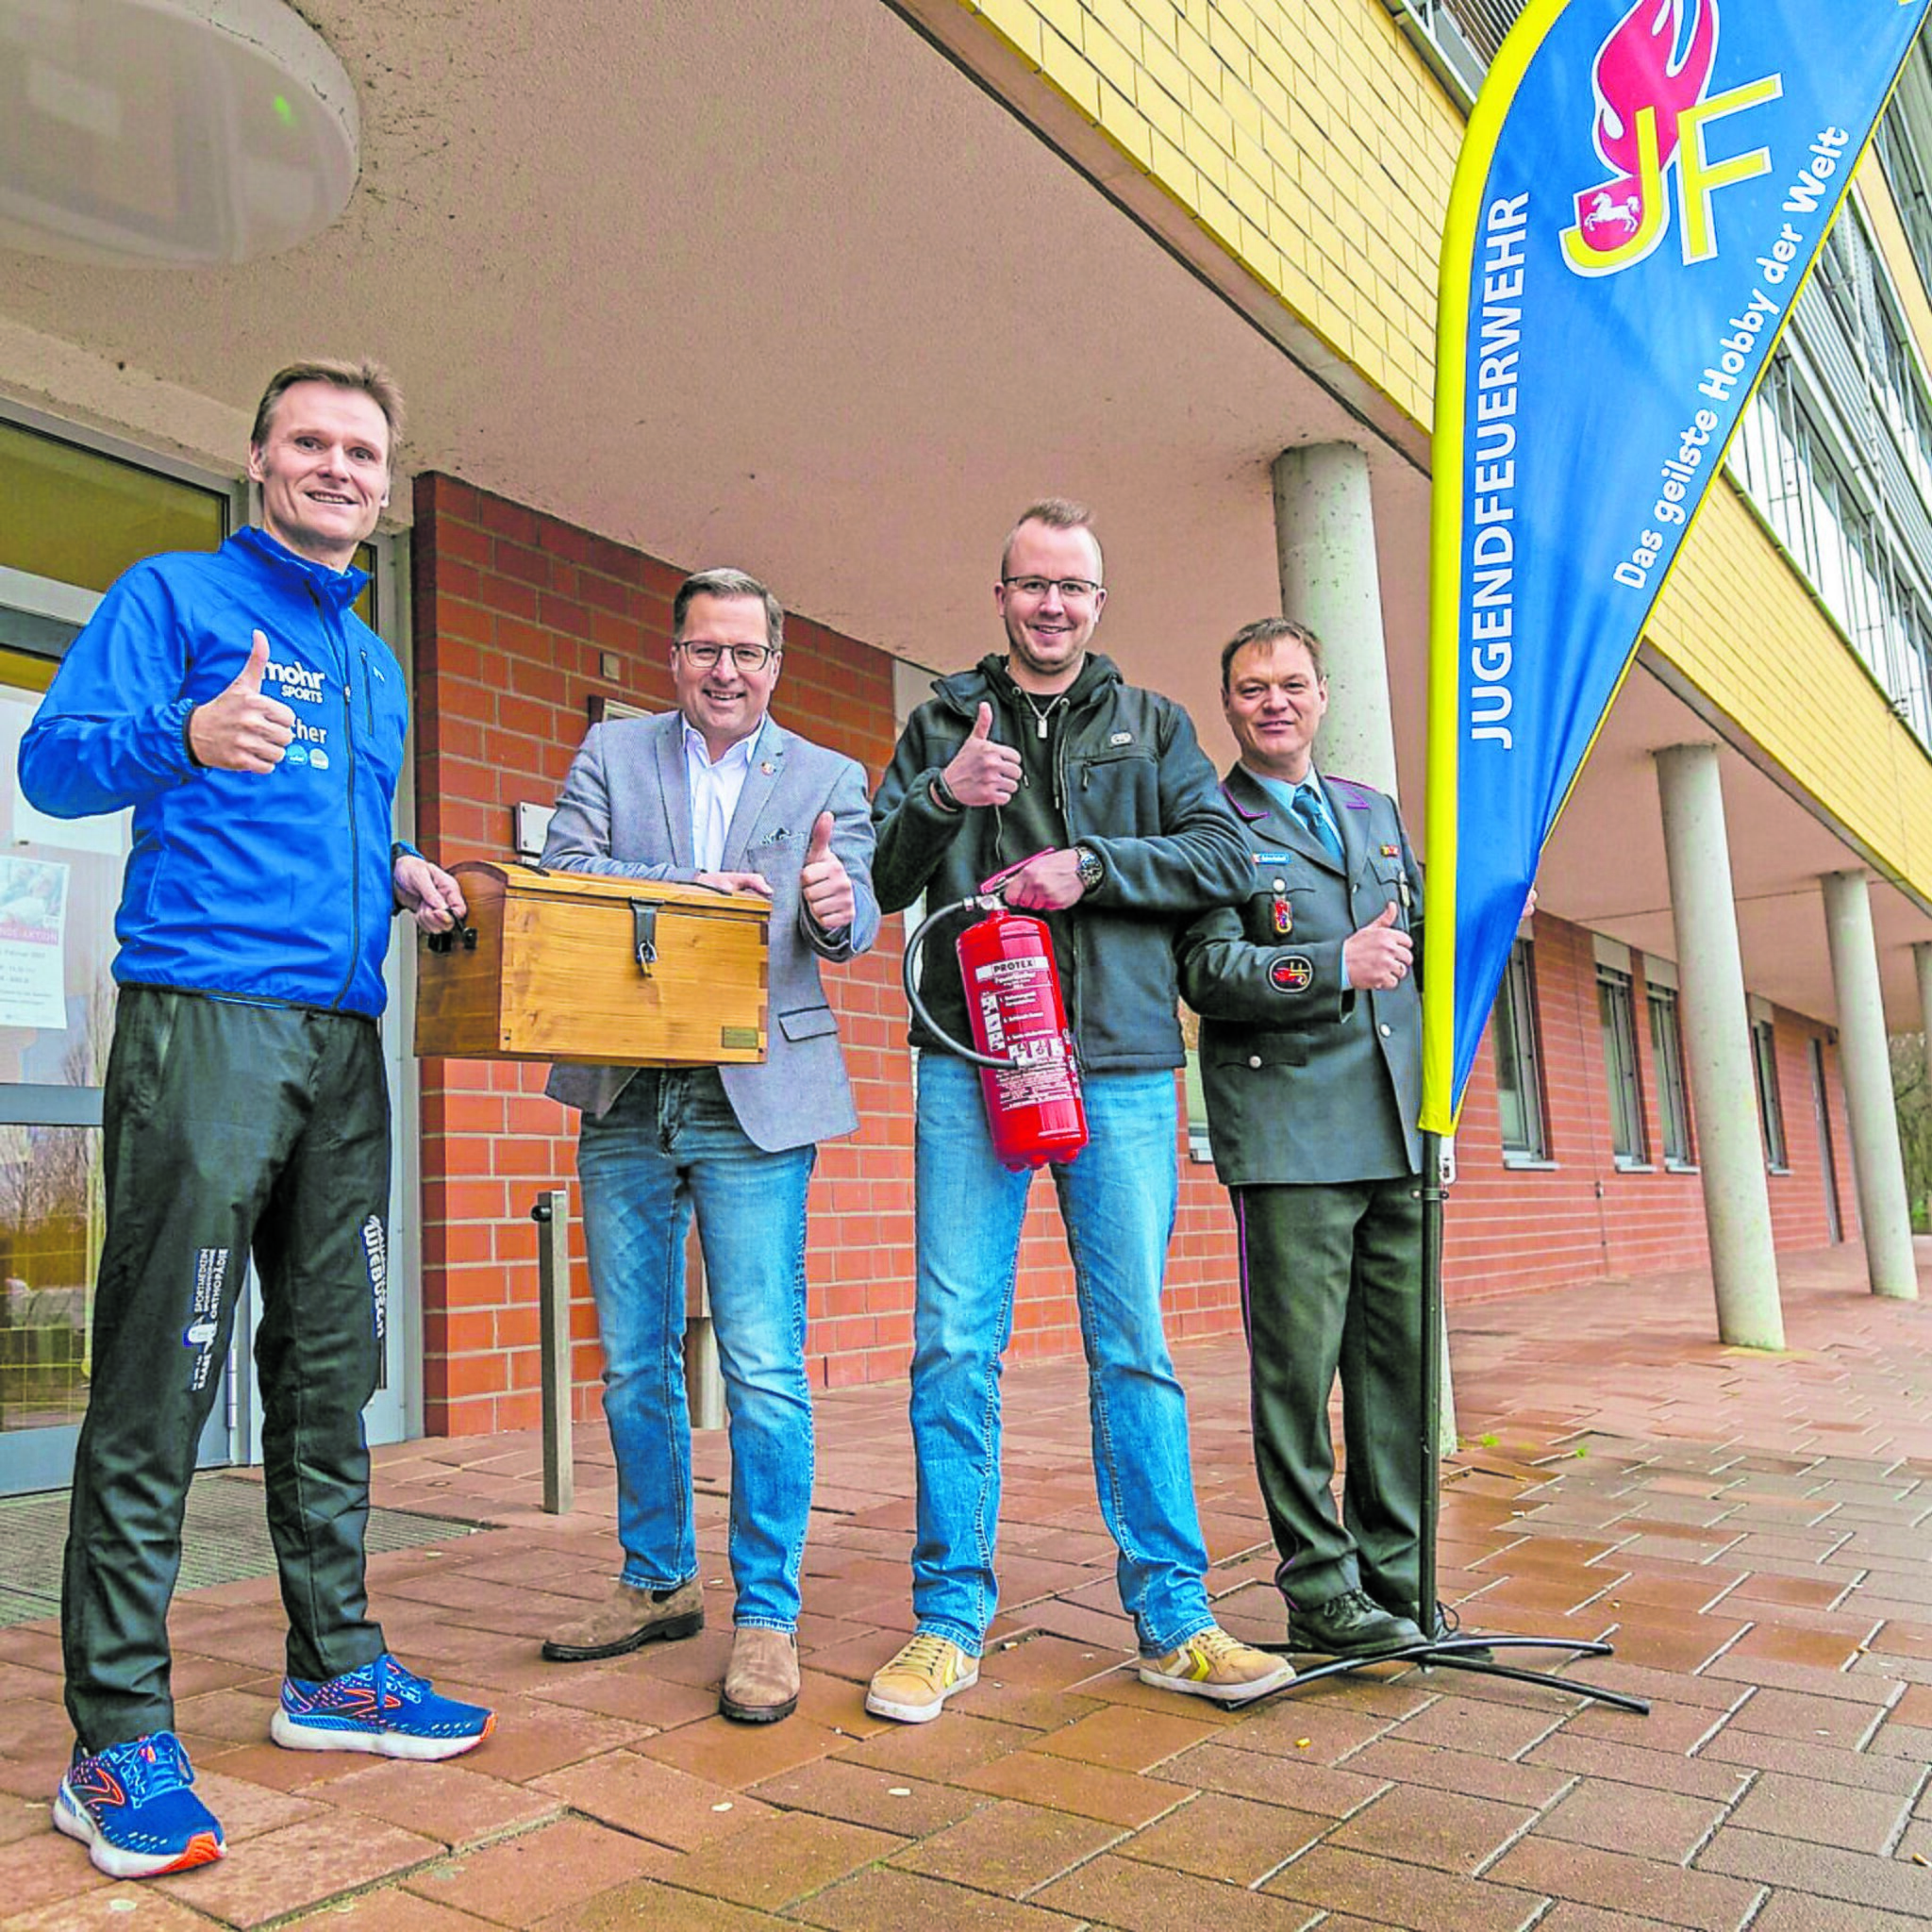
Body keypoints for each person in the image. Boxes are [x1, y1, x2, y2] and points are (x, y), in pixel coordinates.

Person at [20, 359, 494, 1882]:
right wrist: (182, 738)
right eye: (310, 441)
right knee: (165, 1366)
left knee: (331, 1360)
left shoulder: (370, 659)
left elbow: (325, 818)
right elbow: (52, 759)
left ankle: (333, 1661)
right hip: (204, 1020)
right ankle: (112, 1733)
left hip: (343, 1036)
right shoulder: (171, 596)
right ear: (258, 456)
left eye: (362, 448)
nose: (338, 467)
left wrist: (404, 862)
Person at [863, 499, 1296, 1724]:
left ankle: (1175, 1618)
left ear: (1099, 605)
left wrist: (1090, 867)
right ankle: (948, 1622)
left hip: (1115, 1065)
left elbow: (1225, 856)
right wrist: (945, 797)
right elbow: (883, 874)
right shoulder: (939, 720)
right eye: (1032, 583)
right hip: (967, 1054)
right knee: (954, 1341)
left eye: (1074, 587)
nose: (1052, 604)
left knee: (1135, 1346)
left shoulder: (1154, 727)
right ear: (1000, 595)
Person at [538, 567, 878, 1725]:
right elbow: (564, 872)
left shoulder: (829, 776)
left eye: (744, 651)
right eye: (702, 649)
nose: (723, 671)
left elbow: (854, 922)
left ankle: (766, 1612)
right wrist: (684, 884)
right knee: (634, 1359)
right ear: (672, 657)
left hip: (757, 1098)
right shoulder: (612, 755)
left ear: (774, 664)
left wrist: (834, 903)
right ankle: (656, 1578)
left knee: (763, 1365)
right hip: (627, 1087)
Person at [1175, 616, 1435, 1660]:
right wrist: (1331, 963)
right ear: (1228, 705)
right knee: (1295, 1377)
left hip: (1392, 1127)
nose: (1272, 701)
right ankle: (1319, 1589)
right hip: (1287, 1134)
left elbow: (1416, 942)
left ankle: (1398, 1579)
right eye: (1249, 688)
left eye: (1290, 683)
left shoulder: (1372, 811)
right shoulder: (1210, 820)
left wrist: (1488, 916)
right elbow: (1204, 970)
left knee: (1396, 1371)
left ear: (1322, 694)